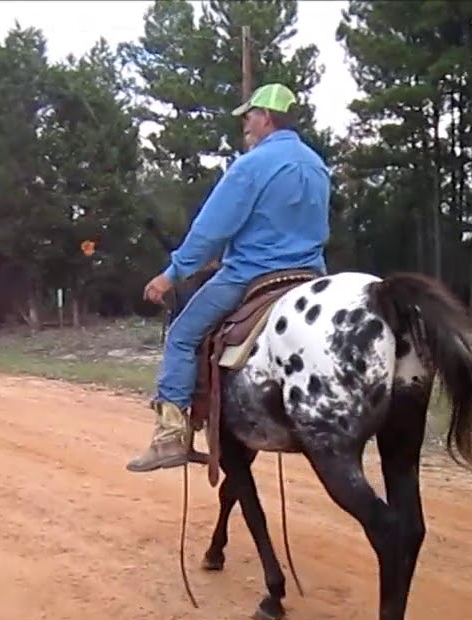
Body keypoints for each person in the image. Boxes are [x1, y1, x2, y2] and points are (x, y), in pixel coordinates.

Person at [126, 83, 332, 473]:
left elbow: (210, 229)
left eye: (249, 117)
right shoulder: (316, 164)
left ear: (266, 117)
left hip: (252, 276)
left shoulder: (252, 164)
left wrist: (172, 275)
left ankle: (170, 437)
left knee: (182, 336)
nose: (246, 126)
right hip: (310, 276)